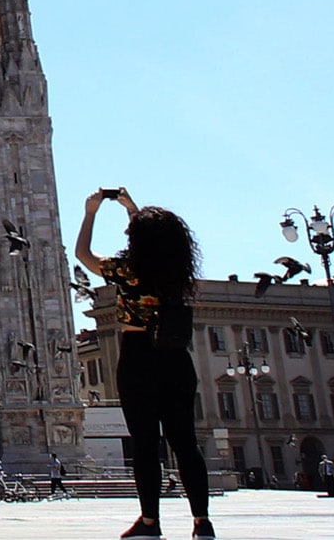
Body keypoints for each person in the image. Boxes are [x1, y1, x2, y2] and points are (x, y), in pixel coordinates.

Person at [75, 188, 211, 540]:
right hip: (176, 357)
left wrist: (90, 213)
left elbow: (83, 255)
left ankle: (150, 522)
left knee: (146, 443)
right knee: (186, 442)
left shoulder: (126, 270)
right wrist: (133, 210)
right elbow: (153, 242)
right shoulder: (177, 274)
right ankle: (202, 522)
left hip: (138, 356)